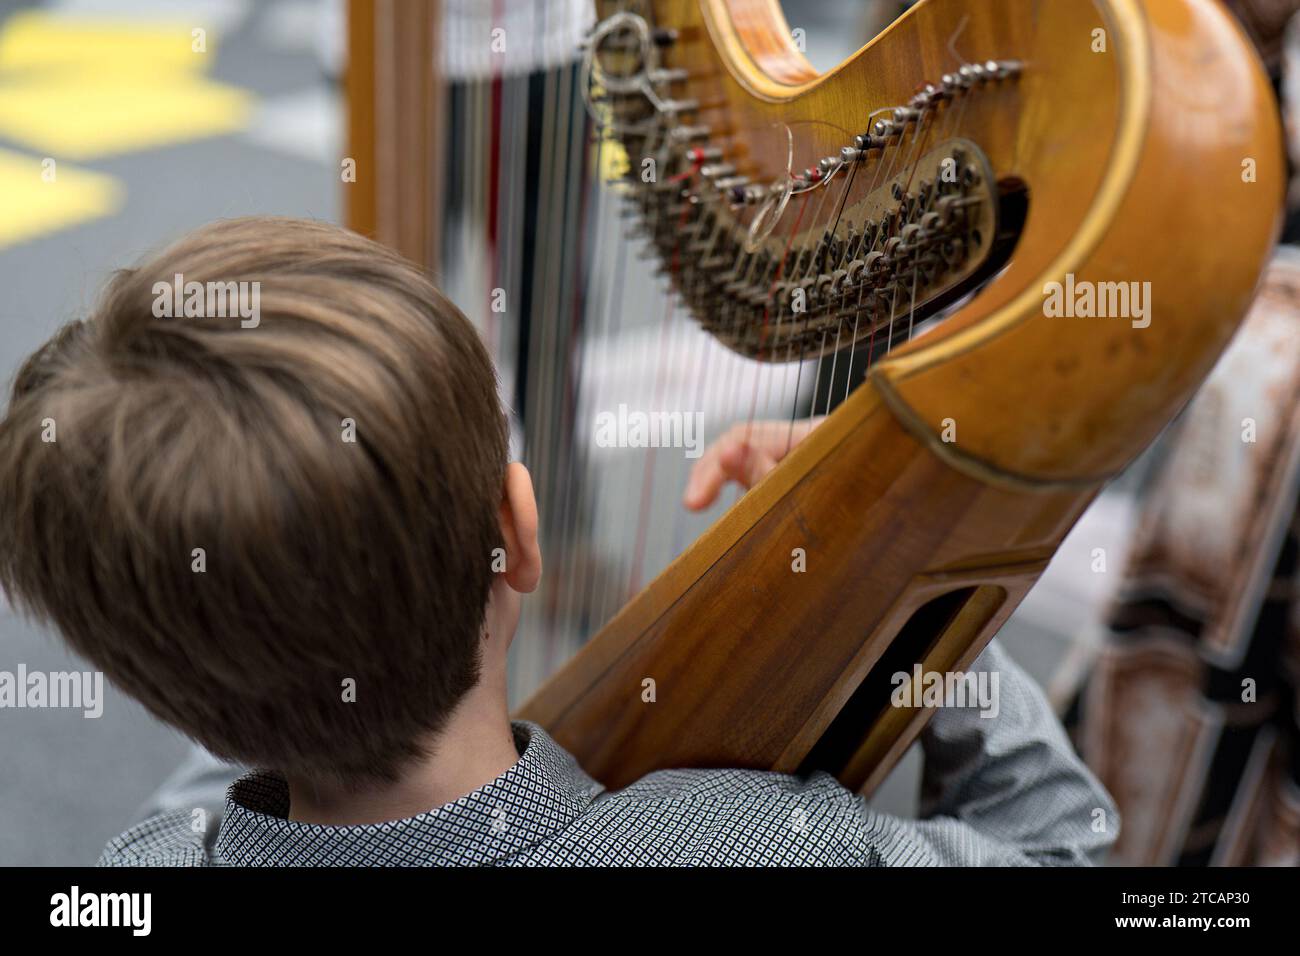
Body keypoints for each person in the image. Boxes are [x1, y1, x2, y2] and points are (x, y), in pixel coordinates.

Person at [0, 217, 1116, 866]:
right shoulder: (750, 841)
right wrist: (906, 561)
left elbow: (229, 712)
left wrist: (217, 627)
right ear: (519, 534)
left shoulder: (136, 872)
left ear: (142, 676)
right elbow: (1065, 843)